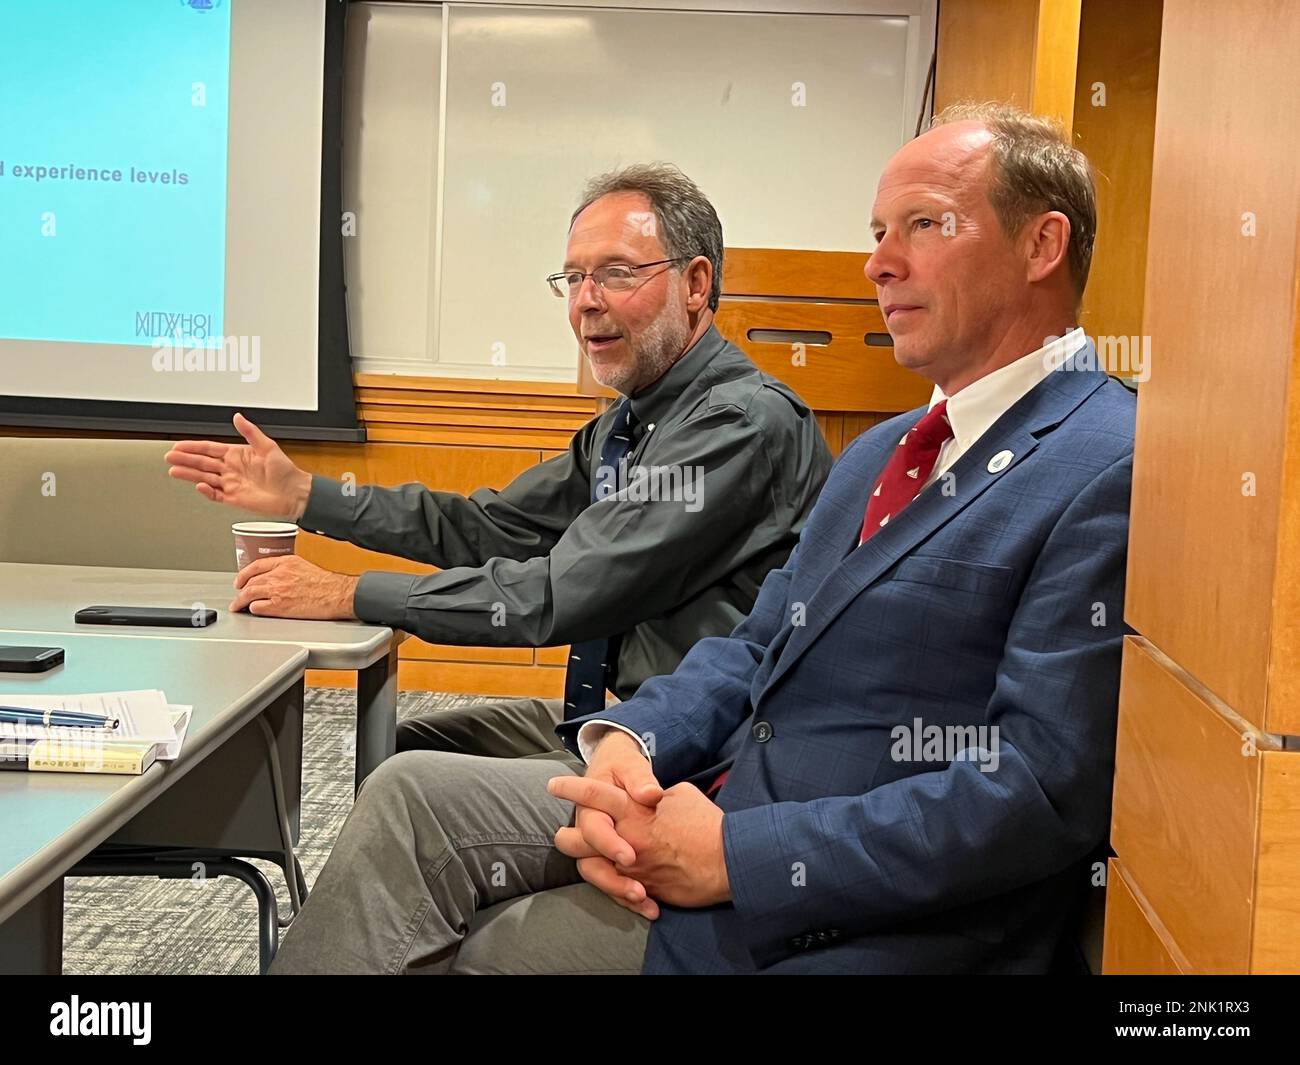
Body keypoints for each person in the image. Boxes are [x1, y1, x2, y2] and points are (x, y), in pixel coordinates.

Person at [270, 102, 1136, 974]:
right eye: (878, 230)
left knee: (495, 940)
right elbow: (761, 638)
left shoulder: (1107, 461)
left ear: (1041, 245)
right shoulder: (879, 448)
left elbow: (1037, 789)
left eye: (923, 225)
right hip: (710, 782)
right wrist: (629, 743)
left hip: (847, 908)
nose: (879, 262)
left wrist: (737, 854)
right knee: (414, 789)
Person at [166, 163, 831, 758]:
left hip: (699, 751)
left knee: (407, 792)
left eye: (616, 273)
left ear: (695, 284)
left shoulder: (736, 423)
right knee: (388, 748)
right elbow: (489, 528)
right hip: (619, 722)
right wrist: (307, 497)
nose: (586, 300)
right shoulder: (628, 421)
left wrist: (347, 593)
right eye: (573, 278)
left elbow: (555, 594)